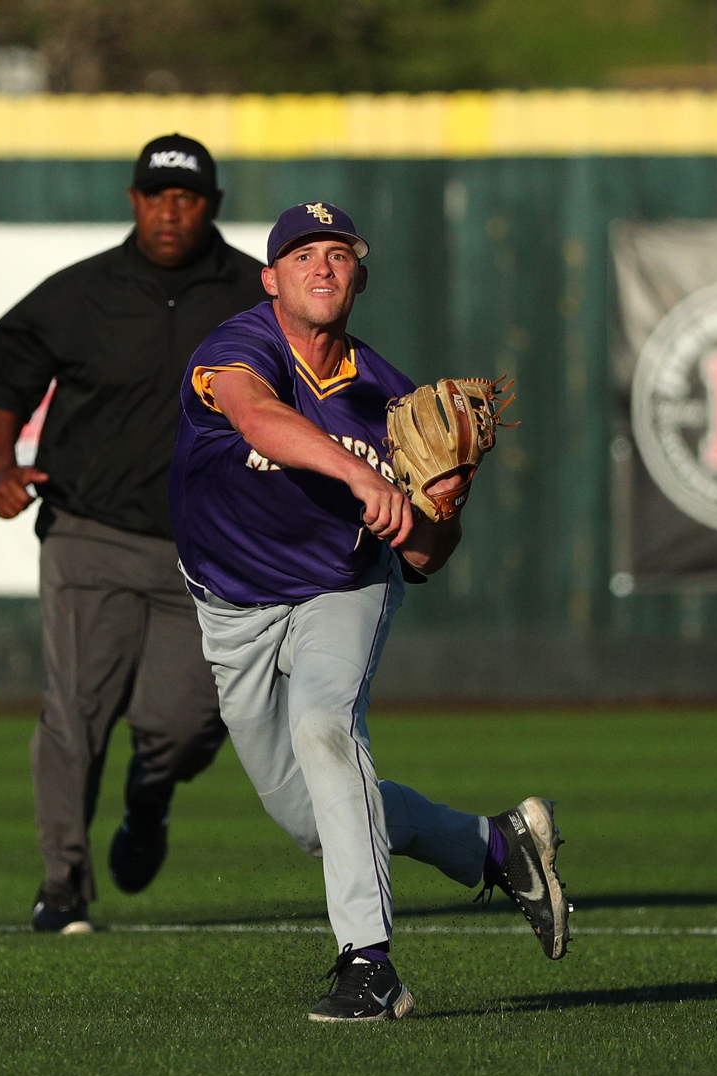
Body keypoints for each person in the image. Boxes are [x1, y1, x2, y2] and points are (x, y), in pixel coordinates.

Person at [169, 202, 571, 1022]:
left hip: (338, 587)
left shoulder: (390, 397)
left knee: (326, 730)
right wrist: (363, 478)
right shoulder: (238, 348)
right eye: (302, 254)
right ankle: (494, 846)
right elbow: (256, 418)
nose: (322, 266)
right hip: (231, 603)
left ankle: (370, 966)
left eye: (338, 254)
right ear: (271, 279)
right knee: (311, 816)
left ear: (359, 276)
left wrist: (446, 504)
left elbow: (423, 558)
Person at [0, 134, 267, 934]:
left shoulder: (252, 295)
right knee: (75, 714)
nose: (170, 210)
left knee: (188, 726)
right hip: (88, 533)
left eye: (187, 196)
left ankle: (150, 797)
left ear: (213, 206)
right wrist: (1, 465)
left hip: (208, 547)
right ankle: (62, 886)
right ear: (133, 201)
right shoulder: (82, 292)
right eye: (156, 194)